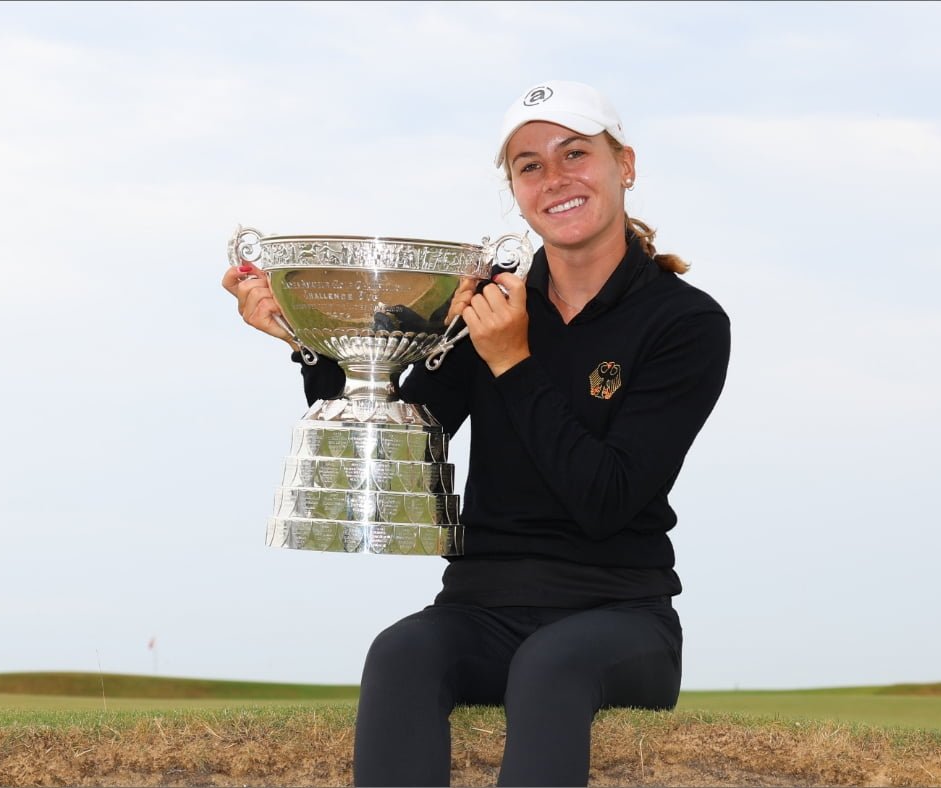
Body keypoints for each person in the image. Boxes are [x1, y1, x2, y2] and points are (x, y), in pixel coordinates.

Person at [222, 80, 731, 787]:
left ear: (626, 165)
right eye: (529, 165)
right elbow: (408, 439)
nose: (554, 178)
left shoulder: (685, 323)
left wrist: (513, 361)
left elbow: (607, 498)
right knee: (400, 652)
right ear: (516, 192)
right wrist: (309, 340)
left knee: (549, 665)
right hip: (479, 607)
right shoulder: (487, 301)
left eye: (574, 153)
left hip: (620, 617)